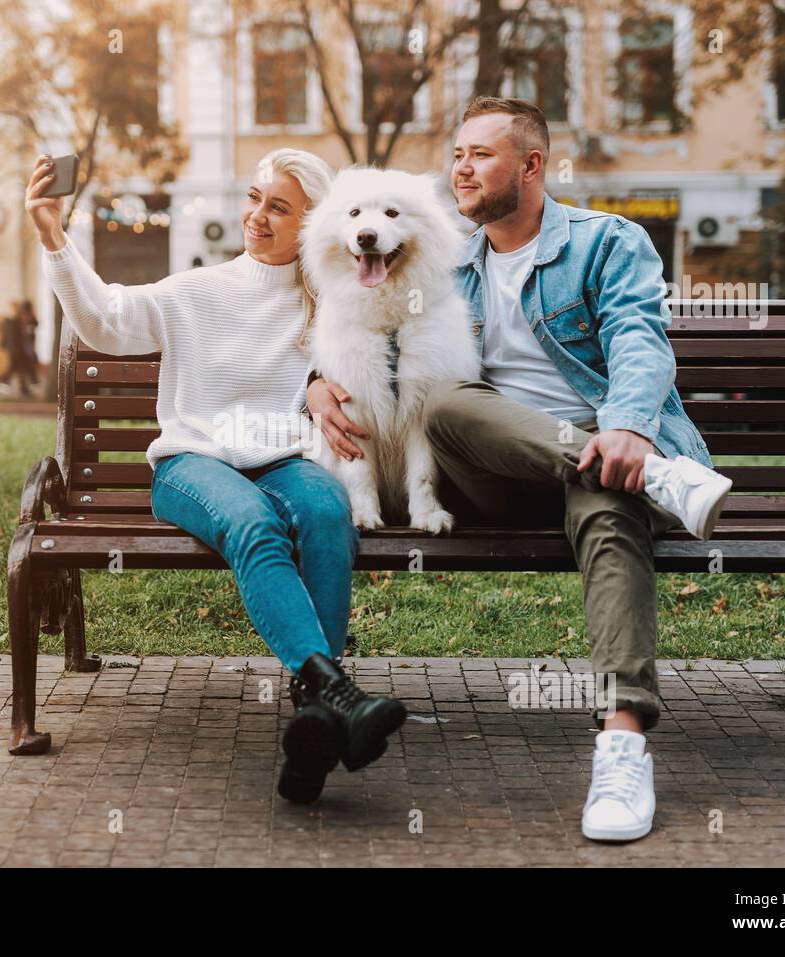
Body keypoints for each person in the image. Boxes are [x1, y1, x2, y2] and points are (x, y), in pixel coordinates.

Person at [307, 97, 733, 842]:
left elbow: (641, 339)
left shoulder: (605, 243)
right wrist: (312, 383)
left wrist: (629, 427)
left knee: (607, 497)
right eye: (457, 154)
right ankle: (655, 476)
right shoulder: (445, 257)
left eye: (479, 154)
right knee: (446, 403)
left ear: (532, 166)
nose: (460, 169)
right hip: (493, 470)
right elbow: (357, 330)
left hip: (603, 456)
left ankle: (622, 745)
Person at [25, 147, 407, 804]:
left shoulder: (331, 303)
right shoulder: (197, 289)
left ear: (311, 222)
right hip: (191, 465)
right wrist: (51, 233)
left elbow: (388, 348)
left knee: (324, 512)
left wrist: (319, 380)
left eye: (278, 207)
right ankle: (334, 688)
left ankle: (316, 723)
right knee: (254, 525)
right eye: (255, 198)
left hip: (284, 460)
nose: (257, 216)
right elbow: (104, 318)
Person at [0, 300, 38, 397]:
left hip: (22, 351)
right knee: (17, 370)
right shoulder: (15, 322)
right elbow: (13, 339)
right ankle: (23, 389)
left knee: (17, 370)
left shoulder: (28, 320)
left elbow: (35, 324)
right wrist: (15, 351)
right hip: (16, 351)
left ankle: (23, 389)